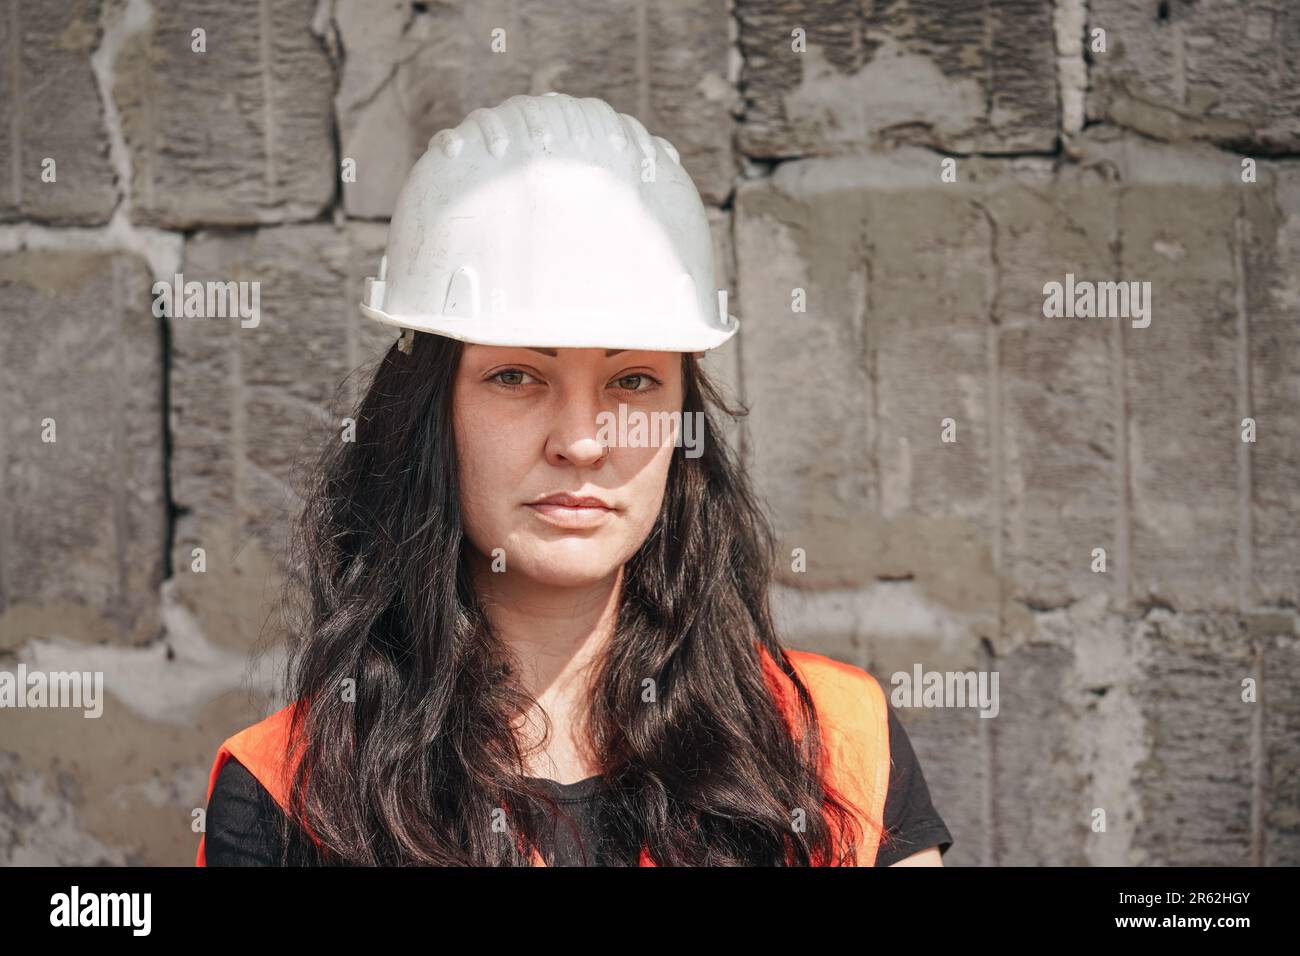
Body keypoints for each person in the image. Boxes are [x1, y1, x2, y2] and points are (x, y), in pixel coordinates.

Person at [195, 92, 952, 867]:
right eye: (518, 375)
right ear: (428, 414)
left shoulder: (835, 745)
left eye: (632, 382)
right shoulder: (293, 797)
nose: (584, 441)